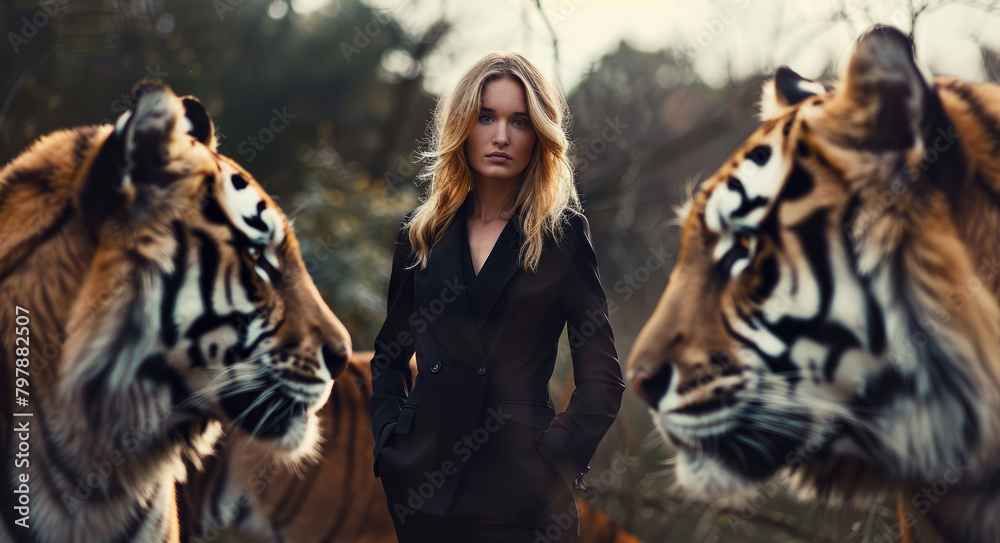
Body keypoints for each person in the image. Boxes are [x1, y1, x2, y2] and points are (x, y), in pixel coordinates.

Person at [369, 51, 625, 543]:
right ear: (463, 126)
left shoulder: (561, 236)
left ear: (539, 135)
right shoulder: (421, 233)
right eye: (486, 117)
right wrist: (390, 441)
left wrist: (554, 458)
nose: (501, 136)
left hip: (522, 498)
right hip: (424, 489)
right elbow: (389, 356)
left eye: (519, 121)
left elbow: (603, 378)